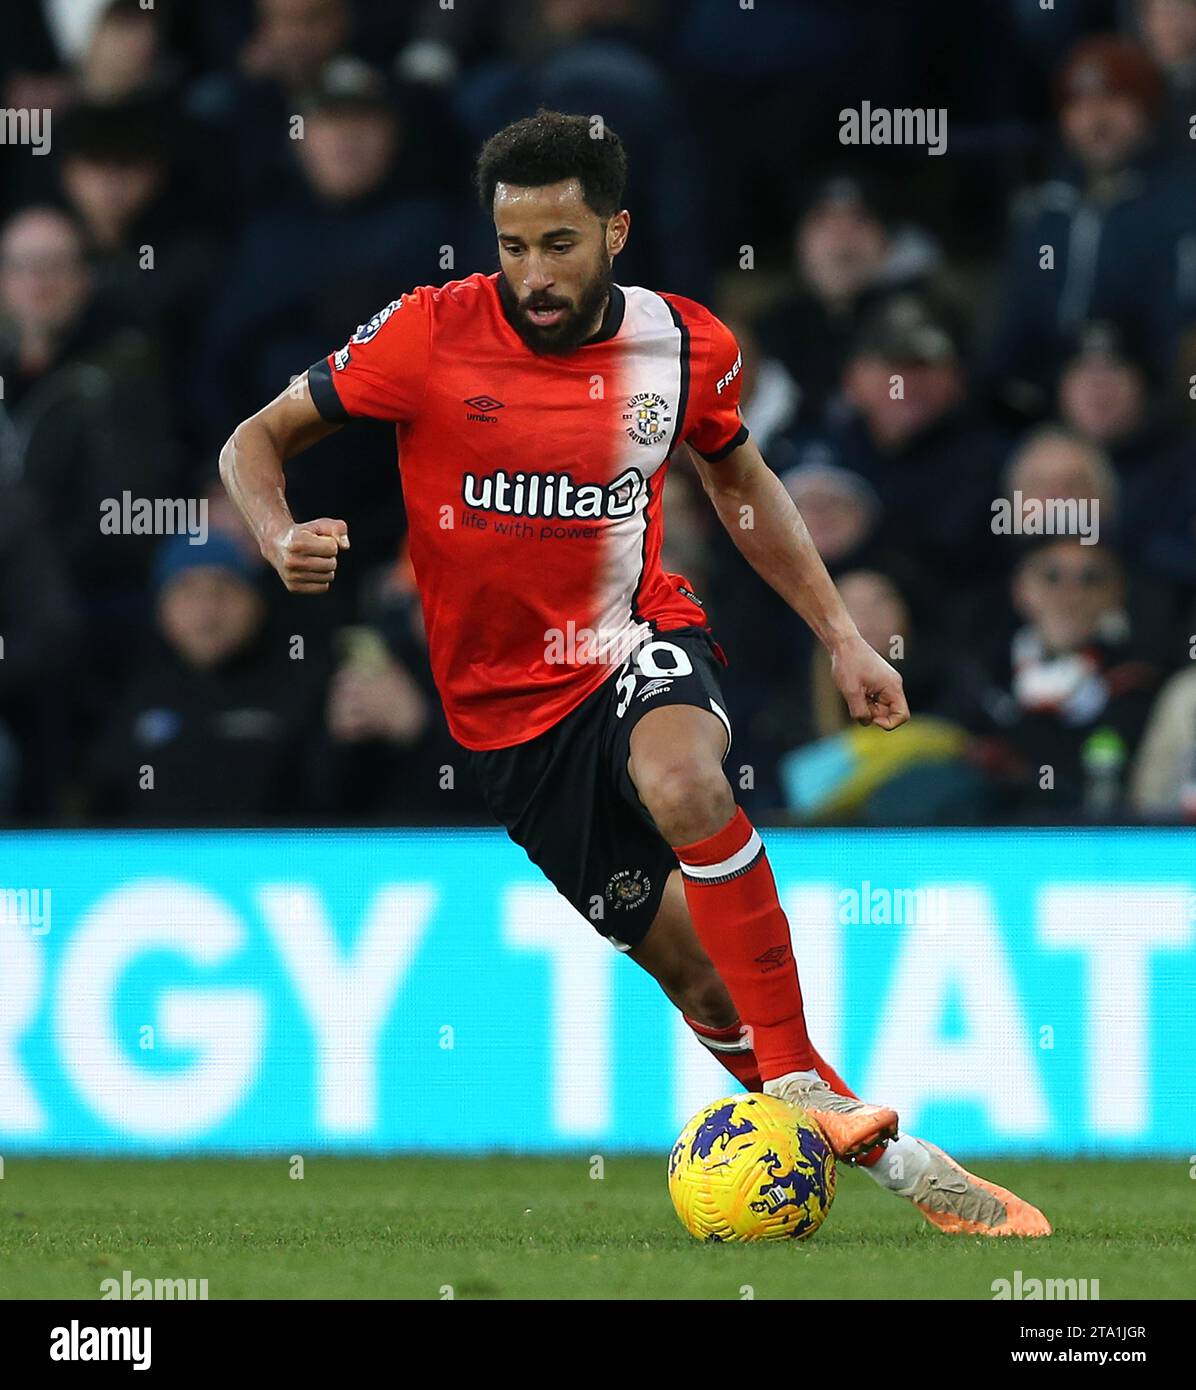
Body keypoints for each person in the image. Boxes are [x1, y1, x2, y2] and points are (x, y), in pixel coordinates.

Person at [219, 110, 1049, 1237]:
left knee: (685, 780)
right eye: (510, 245)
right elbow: (251, 440)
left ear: (614, 229)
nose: (531, 274)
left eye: (558, 243)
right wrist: (273, 535)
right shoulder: (425, 335)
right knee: (703, 988)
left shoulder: (682, 345)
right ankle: (891, 1164)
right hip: (507, 725)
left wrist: (841, 635)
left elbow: (741, 488)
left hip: (632, 638)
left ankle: (800, 1079)